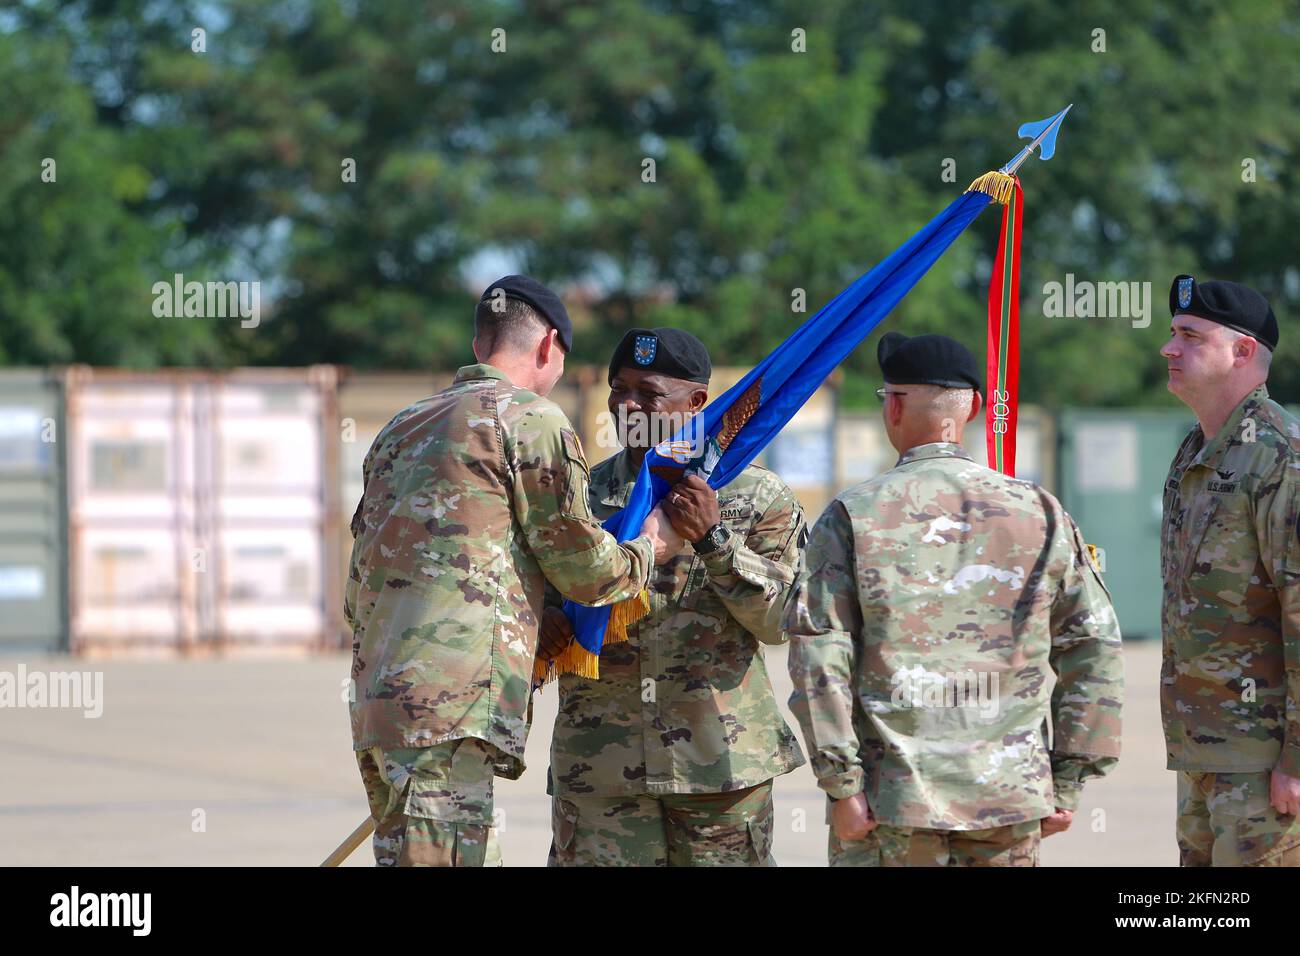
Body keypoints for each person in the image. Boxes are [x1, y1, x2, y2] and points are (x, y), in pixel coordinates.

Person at [346, 277, 682, 866]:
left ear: (480, 344)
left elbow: (359, 587)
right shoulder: (530, 419)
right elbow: (584, 569)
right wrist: (650, 546)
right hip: (452, 708)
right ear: (549, 345)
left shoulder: (402, 427)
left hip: (382, 701)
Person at [784, 331, 1124, 866]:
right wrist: (1067, 779)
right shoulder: (1041, 511)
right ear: (973, 411)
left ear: (893, 405)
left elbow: (818, 655)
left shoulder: (854, 514)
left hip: (889, 804)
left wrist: (841, 785)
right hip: (1009, 800)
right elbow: (1095, 644)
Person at [540, 327, 807, 866]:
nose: (626, 403)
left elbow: (780, 621)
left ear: (697, 403)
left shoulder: (755, 496)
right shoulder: (579, 495)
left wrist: (714, 539)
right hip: (601, 769)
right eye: (618, 388)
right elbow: (537, 599)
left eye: (648, 391)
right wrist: (542, 619)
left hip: (718, 768)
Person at [1159, 274, 1300, 866]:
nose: (1169, 349)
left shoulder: (1279, 458)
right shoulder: (1195, 450)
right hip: (1203, 752)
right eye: (1172, 334)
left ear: (1242, 352)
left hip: (1264, 763)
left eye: (1190, 335)